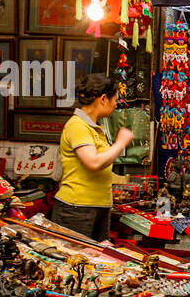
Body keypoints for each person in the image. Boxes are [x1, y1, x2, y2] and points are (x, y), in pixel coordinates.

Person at [53, 73, 133, 240]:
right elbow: (93, 162)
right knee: (76, 261)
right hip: (76, 209)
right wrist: (120, 143)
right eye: (115, 100)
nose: (115, 105)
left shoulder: (95, 127)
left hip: (97, 207)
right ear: (103, 99)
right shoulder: (77, 126)